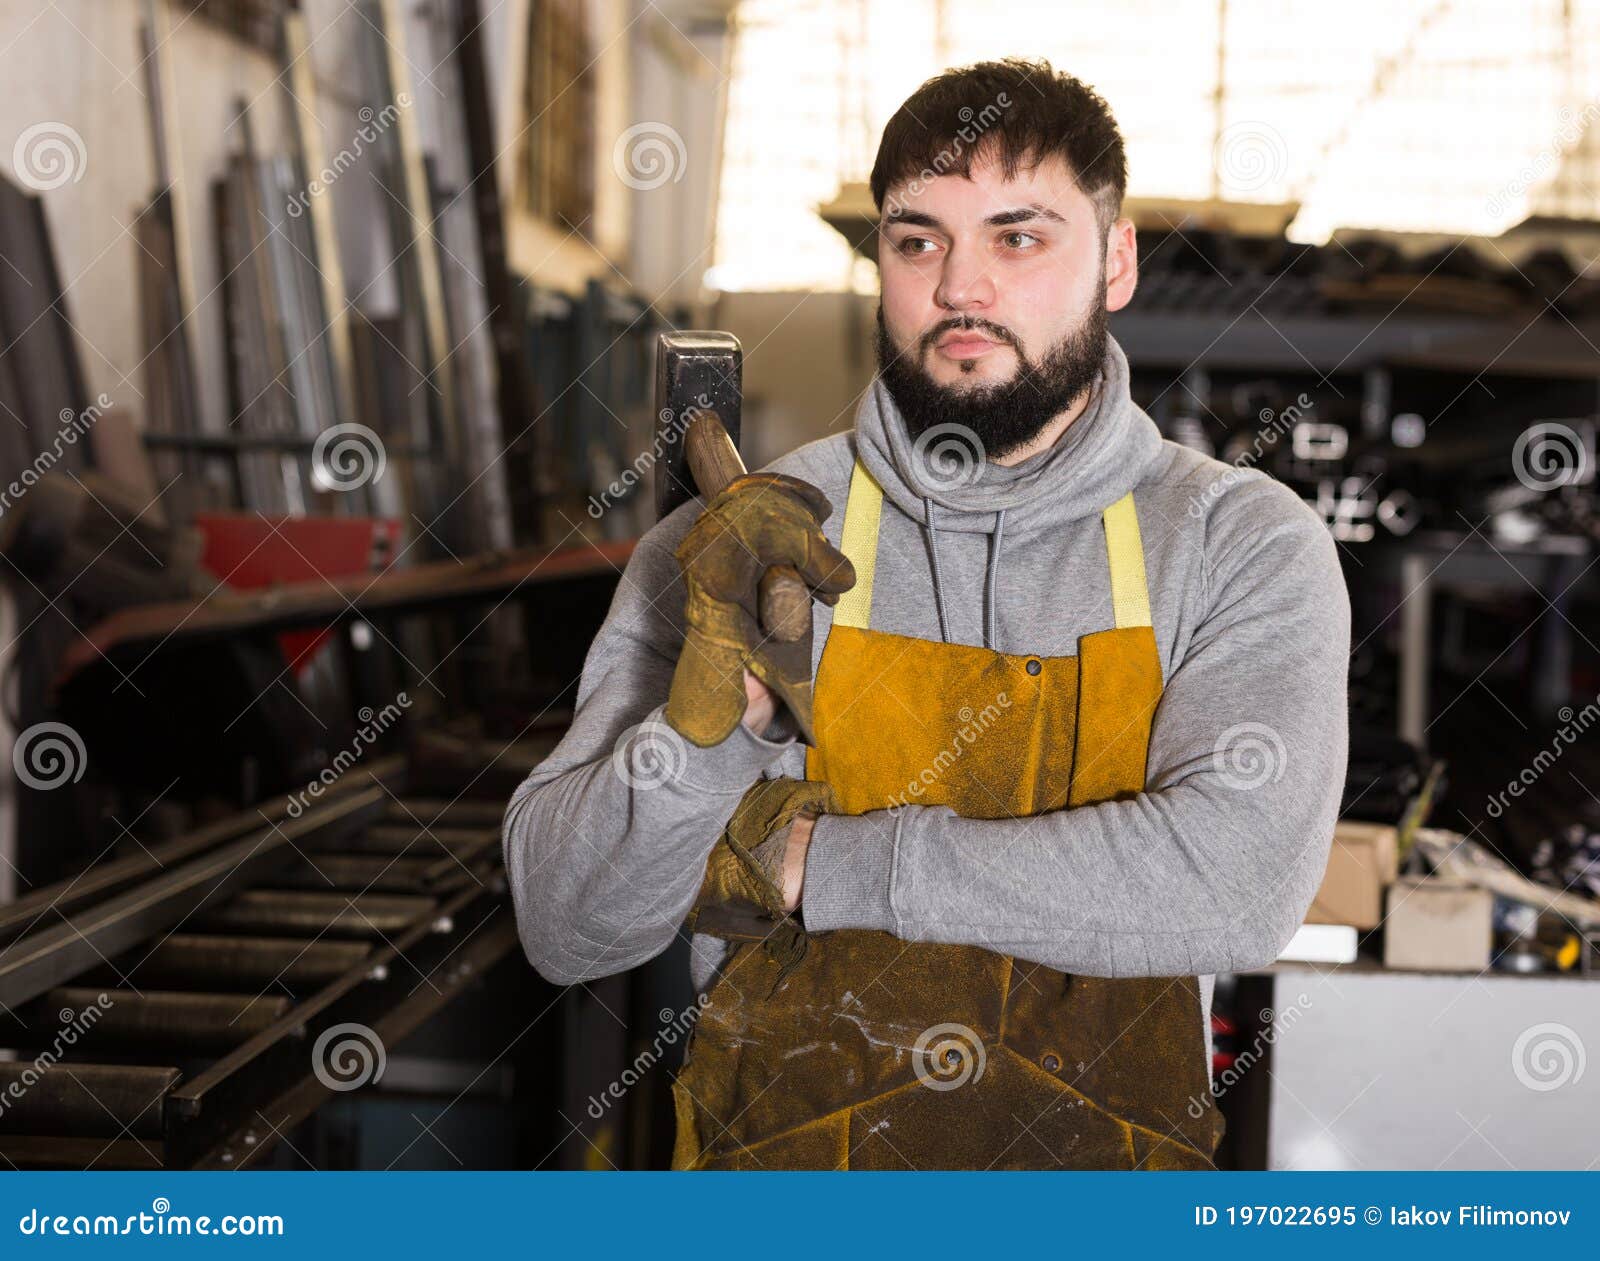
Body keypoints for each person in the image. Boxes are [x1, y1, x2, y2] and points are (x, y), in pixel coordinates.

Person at [503, 58, 1349, 1170]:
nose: (960, 288)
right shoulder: (737, 546)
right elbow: (566, 930)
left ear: (1116, 260)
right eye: (917, 241)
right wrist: (709, 735)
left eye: (1017, 237)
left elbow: (1234, 888)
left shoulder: (1234, 542)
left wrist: (822, 864)